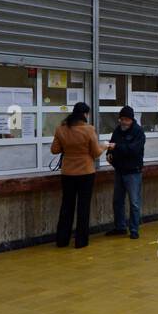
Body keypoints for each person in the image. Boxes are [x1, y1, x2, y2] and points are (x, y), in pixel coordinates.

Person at [51, 101, 105, 248]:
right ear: (85, 114)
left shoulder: (61, 129)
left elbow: (54, 150)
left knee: (66, 206)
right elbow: (96, 153)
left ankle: (62, 240)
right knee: (83, 207)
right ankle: (81, 241)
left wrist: (67, 147)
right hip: (86, 173)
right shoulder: (89, 130)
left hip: (68, 173)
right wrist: (105, 146)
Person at [105, 105, 145, 240]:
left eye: (126, 119)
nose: (123, 122)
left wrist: (117, 147)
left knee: (134, 202)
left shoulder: (138, 132)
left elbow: (133, 150)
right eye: (121, 119)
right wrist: (109, 153)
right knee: (117, 201)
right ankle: (120, 227)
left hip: (133, 172)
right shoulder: (117, 130)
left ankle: (134, 229)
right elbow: (111, 144)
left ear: (131, 120)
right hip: (119, 170)